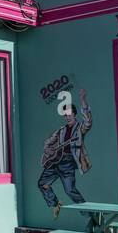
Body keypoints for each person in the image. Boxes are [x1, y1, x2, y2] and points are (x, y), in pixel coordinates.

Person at [38, 88, 92, 219]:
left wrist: (83, 101)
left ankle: (91, 215)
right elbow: (48, 142)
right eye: (65, 115)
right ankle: (55, 204)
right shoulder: (61, 130)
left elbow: (88, 122)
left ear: (74, 115)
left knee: (70, 190)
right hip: (55, 162)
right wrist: (48, 149)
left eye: (69, 114)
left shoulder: (79, 128)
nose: (67, 117)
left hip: (68, 164)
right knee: (42, 183)